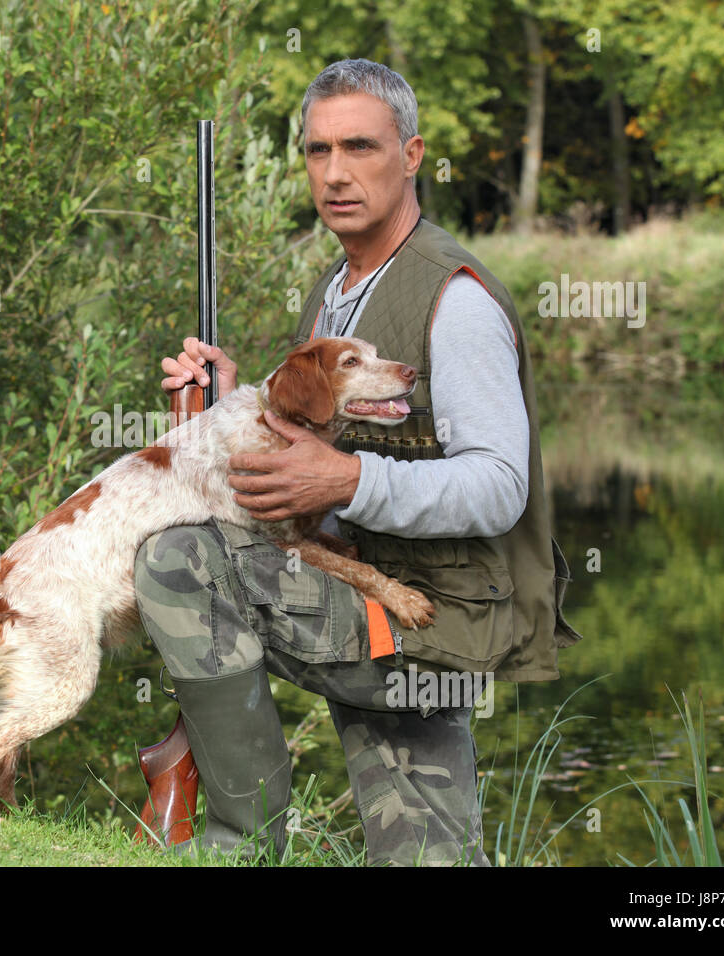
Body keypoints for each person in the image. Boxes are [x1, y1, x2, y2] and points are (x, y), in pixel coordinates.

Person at [135, 58, 582, 866]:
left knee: (180, 557)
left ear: (411, 155)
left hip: (431, 619)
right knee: (430, 861)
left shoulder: (456, 300)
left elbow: (500, 486)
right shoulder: (338, 289)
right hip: (366, 591)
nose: (335, 173)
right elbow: (316, 439)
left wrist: (352, 481)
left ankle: (240, 843)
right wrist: (233, 413)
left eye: (360, 147)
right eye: (318, 150)